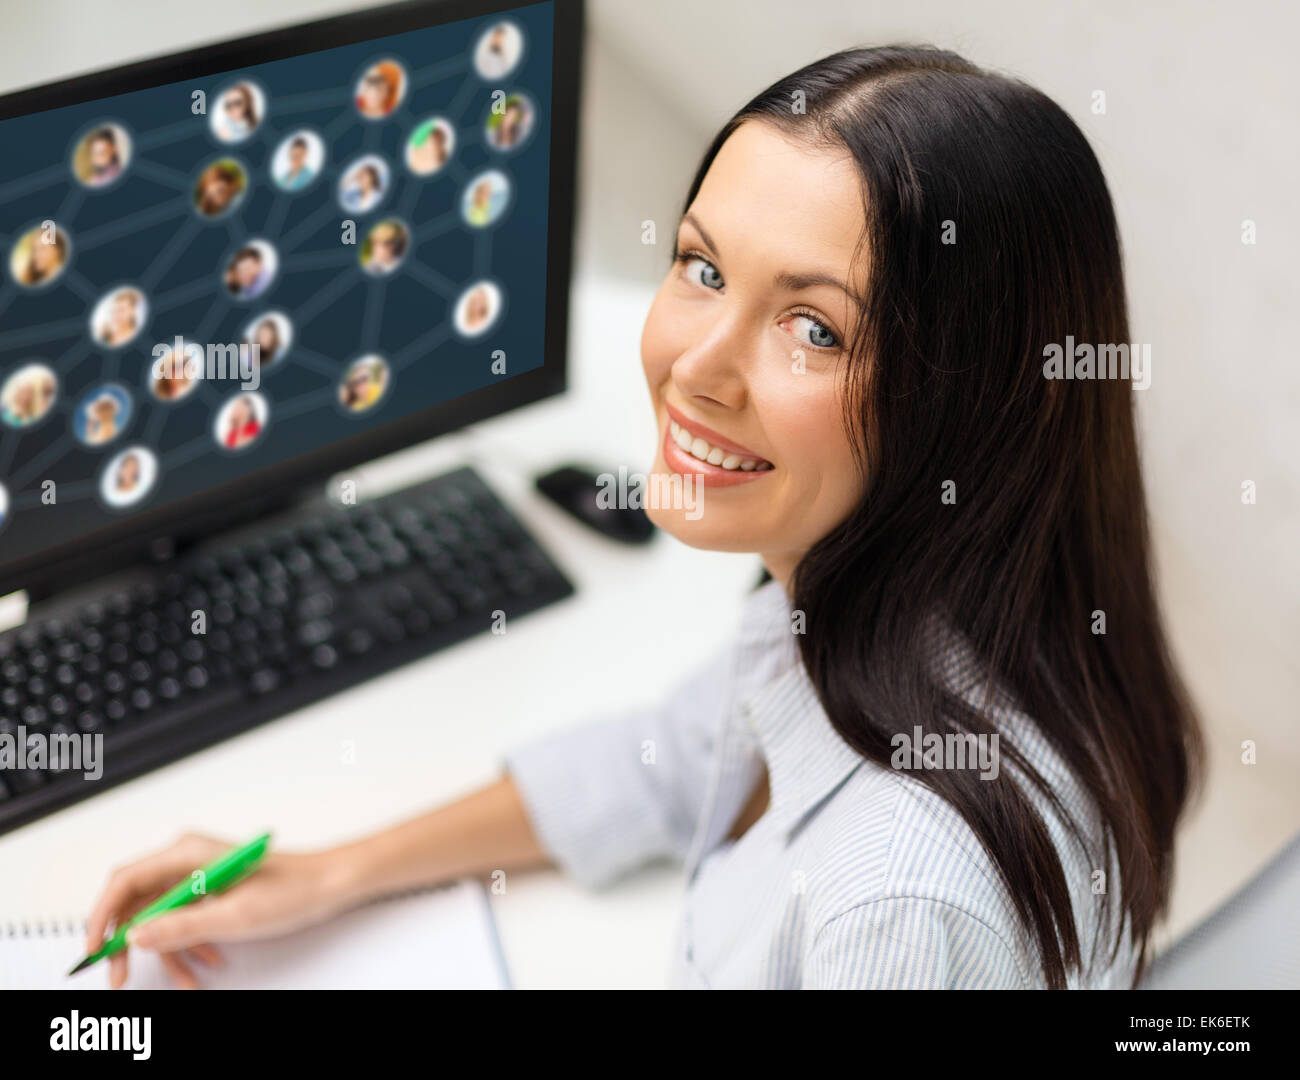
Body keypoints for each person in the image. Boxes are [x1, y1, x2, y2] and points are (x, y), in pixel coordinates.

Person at [85, 46, 1200, 991]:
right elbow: (666, 765)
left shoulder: (898, 904)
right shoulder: (885, 598)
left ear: (972, 397)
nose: (693, 368)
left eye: (814, 328)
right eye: (703, 267)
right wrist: (333, 874)